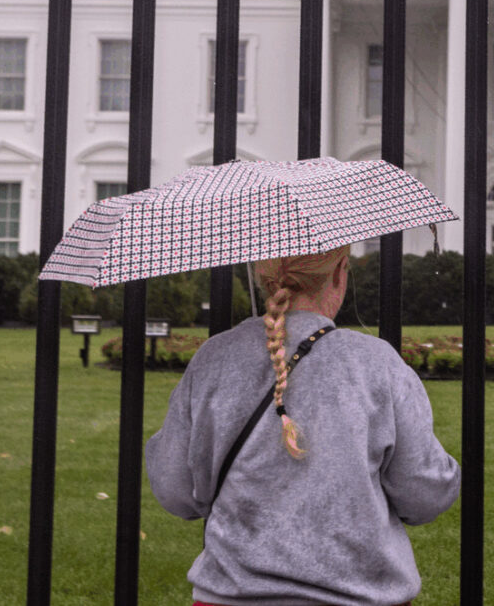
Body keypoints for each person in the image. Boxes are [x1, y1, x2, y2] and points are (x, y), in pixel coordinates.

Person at [147, 245, 461, 606]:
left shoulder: (213, 359)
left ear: (260, 276)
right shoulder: (377, 364)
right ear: (340, 271)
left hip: (230, 596)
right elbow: (425, 495)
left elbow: (175, 491)